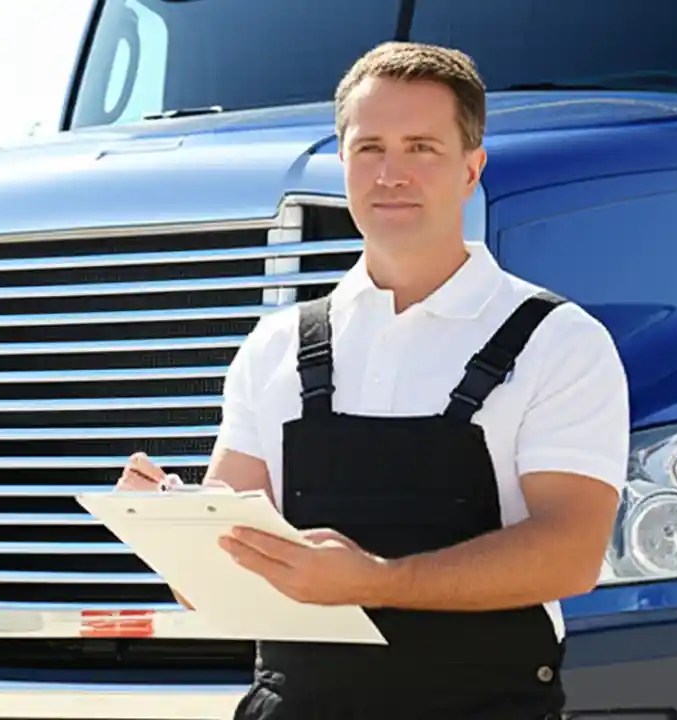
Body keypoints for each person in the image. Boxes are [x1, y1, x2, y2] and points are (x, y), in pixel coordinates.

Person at [116, 41, 629, 719]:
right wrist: (175, 530)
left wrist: (380, 581)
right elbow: (213, 589)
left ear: (472, 169)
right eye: (370, 148)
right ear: (342, 163)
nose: (392, 173)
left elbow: (571, 555)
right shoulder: (277, 347)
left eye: (422, 147)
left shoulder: (558, 341)